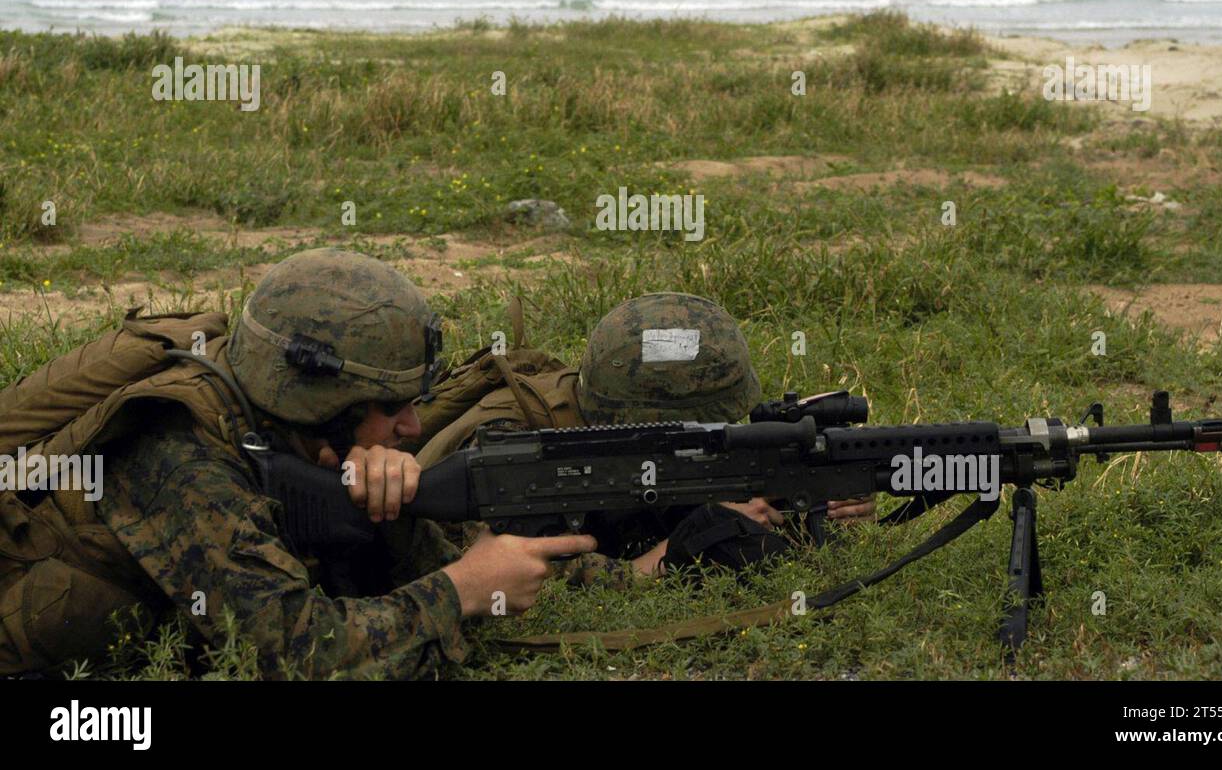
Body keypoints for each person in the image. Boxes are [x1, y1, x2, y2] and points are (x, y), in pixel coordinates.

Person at [0, 248, 593, 679]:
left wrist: (390, 512)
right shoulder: (178, 453)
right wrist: (461, 589)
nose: (412, 427)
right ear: (320, 403)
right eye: (389, 407)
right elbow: (293, 654)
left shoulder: (264, 414)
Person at [414, 292, 876, 574]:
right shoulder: (515, 444)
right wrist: (645, 567)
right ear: (644, 422)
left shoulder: (624, 424)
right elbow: (471, 560)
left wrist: (811, 497)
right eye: (700, 428)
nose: (716, 434)